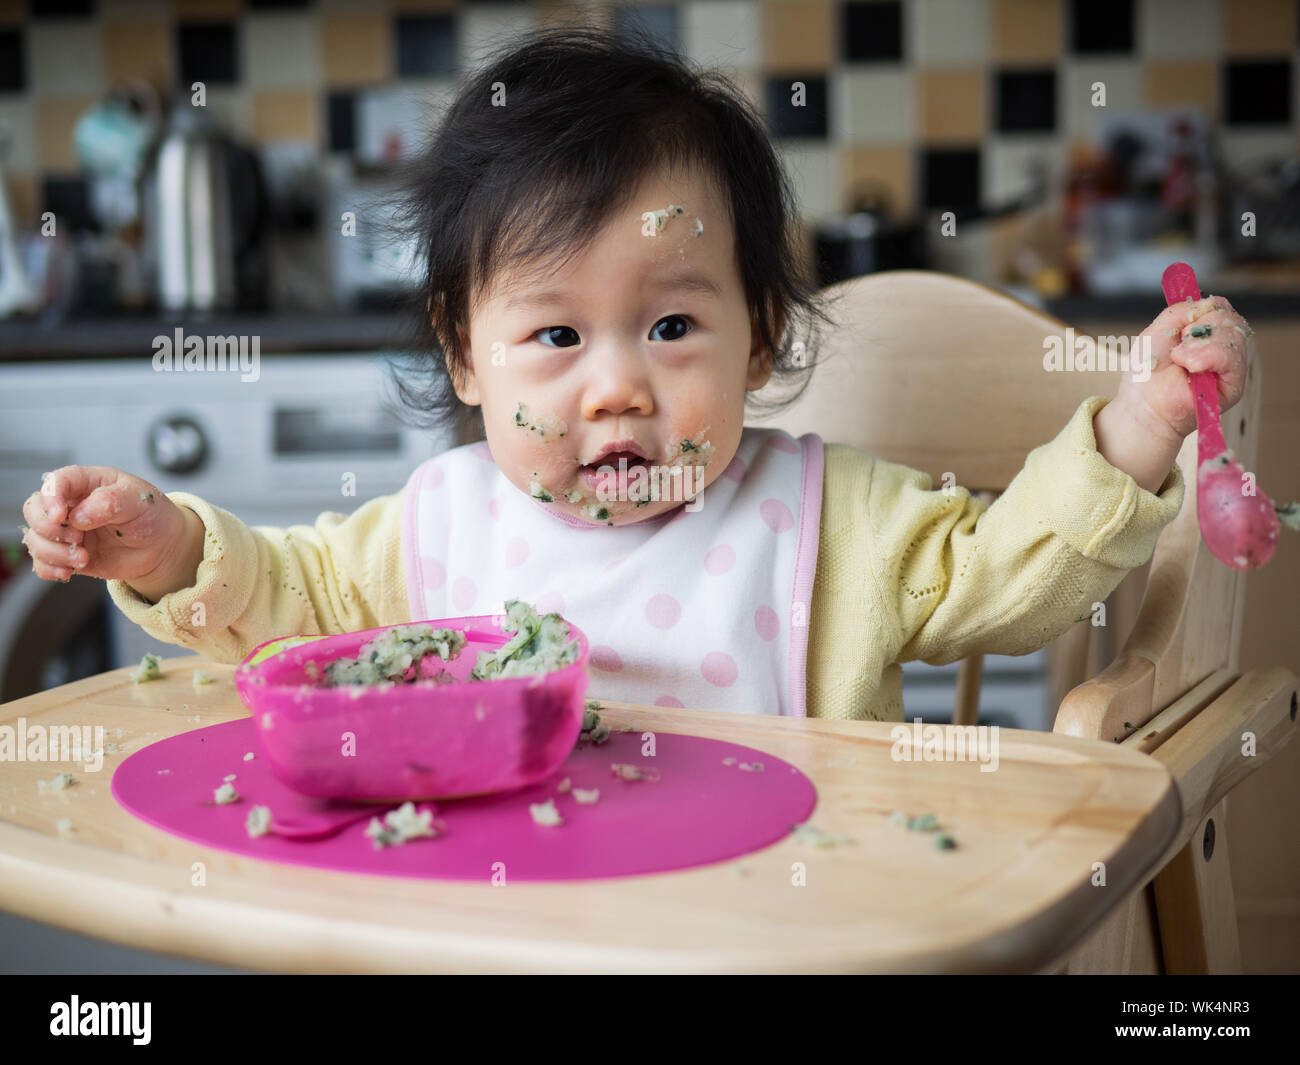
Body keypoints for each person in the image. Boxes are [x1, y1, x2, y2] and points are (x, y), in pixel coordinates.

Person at [20, 29, 1250, 723]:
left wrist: (1142, 421)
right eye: (555, 339)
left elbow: (1002, 580)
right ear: (463, 352)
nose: (615, 389)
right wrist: (171, 550)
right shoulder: (436, 532)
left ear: (758, 337)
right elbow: (281, 598)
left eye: (669, 329)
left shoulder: (836, 523)